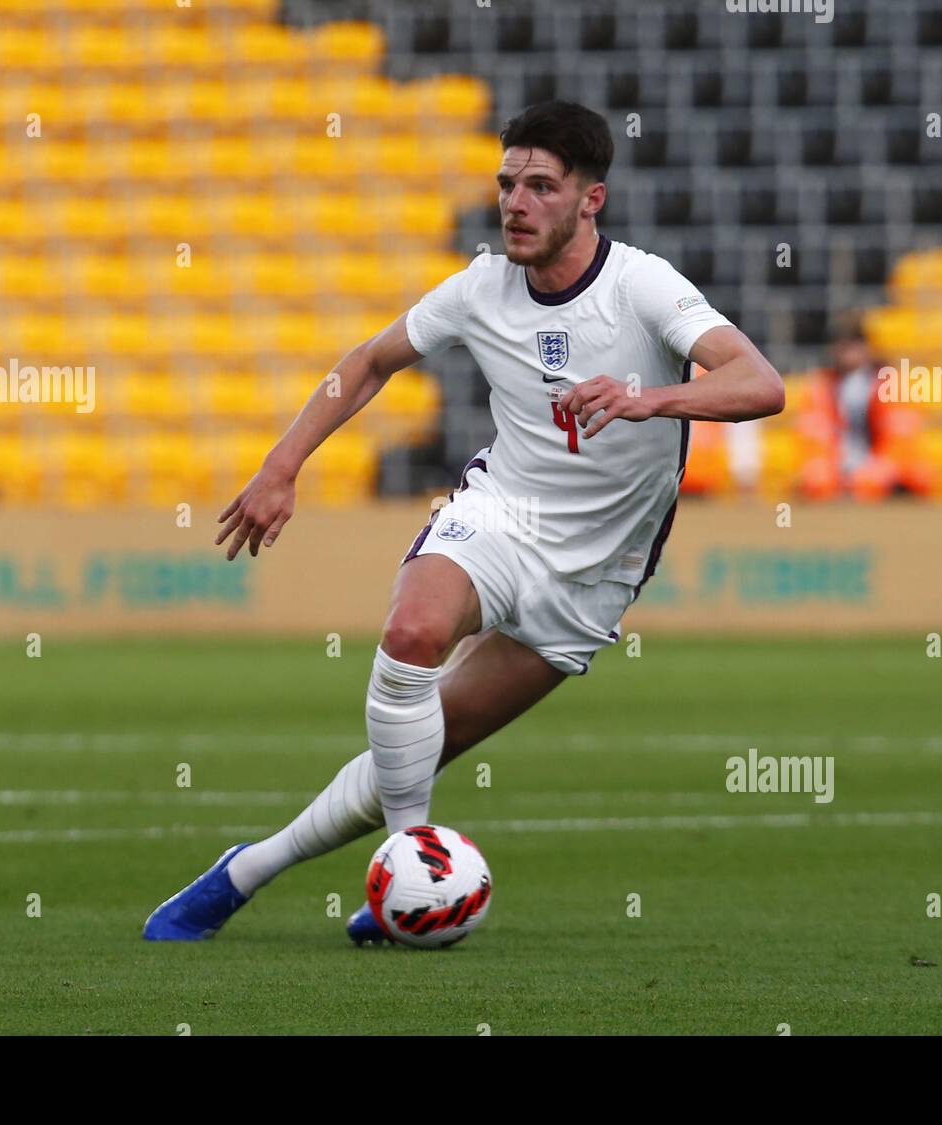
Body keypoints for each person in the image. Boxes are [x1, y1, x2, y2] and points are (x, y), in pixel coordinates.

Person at [143, 100, 784, 943]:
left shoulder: (643, 286)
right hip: (500, 517)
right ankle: (413, 862)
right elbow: (369, 361)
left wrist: (647, 398)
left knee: (421, 744)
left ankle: (248, 867)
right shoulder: (481, 286)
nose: (516, 203)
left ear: (591, 199)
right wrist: (282, 464)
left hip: (592, 578)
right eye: (508, 183)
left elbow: (760, 383)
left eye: (542, 187)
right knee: (412, 632)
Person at [797, 314, 935, 500]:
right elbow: (815, 436)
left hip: (881, 466)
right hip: (839, 466)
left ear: (867, 348)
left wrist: (875, 469)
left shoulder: (890, 383)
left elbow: (900, 437)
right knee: (818, 478)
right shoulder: (823, 386)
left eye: (853, 346)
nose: (847, 354)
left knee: (900, 476)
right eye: (842, 347)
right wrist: (832, 468)